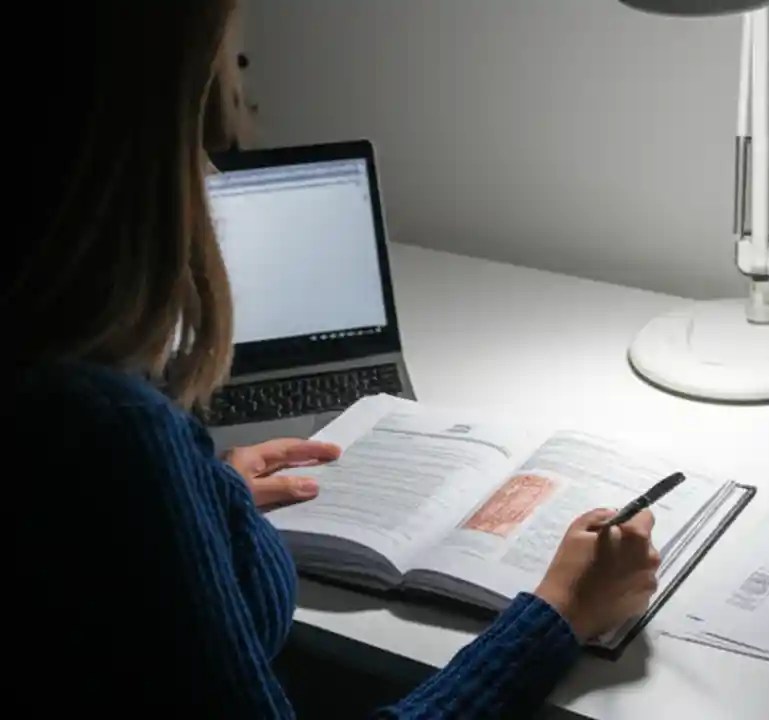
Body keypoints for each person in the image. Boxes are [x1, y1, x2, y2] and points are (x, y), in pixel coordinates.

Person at [4, 2, 659, 717]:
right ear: (179, 108)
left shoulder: (67, 390)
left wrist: (202, 498)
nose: (245, 94)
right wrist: (557, 614)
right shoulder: (109, 430)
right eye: (232, 59)